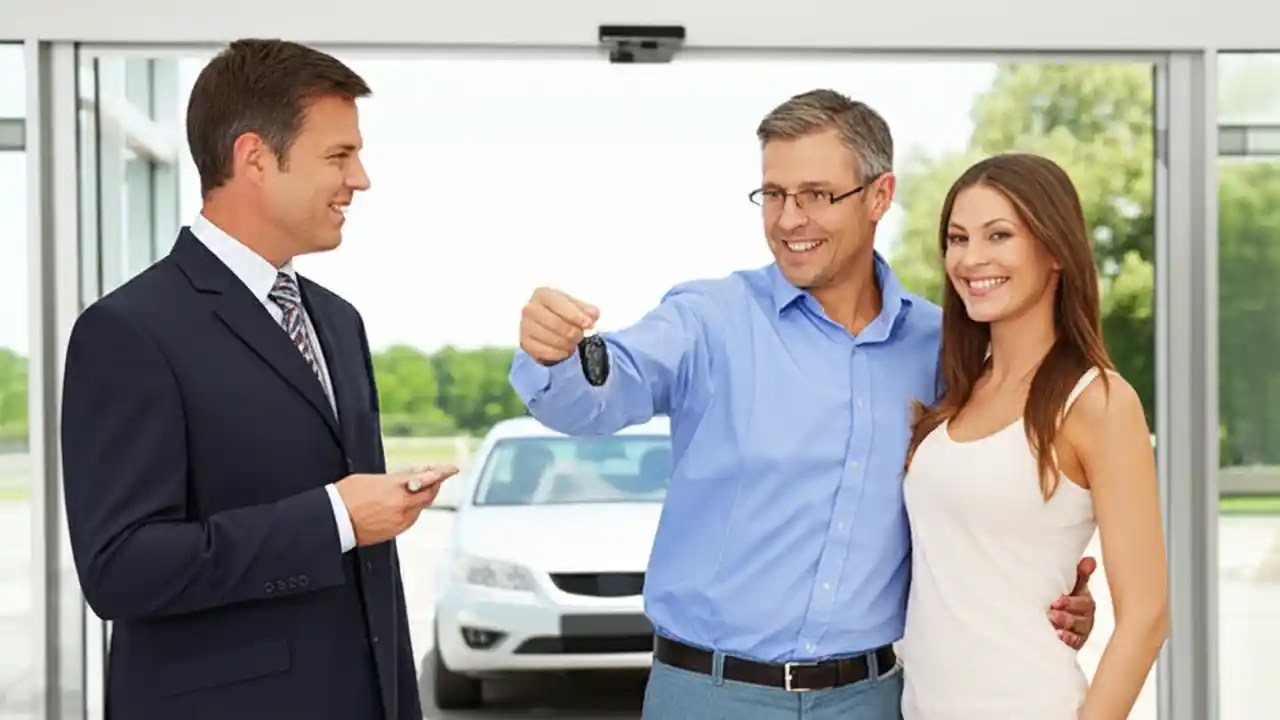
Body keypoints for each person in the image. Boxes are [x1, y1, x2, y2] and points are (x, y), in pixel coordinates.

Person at [508, 89, 1098, 718]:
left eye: (817, 194)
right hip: (708, 698)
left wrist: (1048, 593)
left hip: (870, 700)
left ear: (879, 196)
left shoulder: (944, 346)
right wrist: (556, 357)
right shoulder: (709, 319)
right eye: (775, 194)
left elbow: (978, 502)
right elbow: (598, 395)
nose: (790, 219)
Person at [59, 39, 452, 720]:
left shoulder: (338, 322)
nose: (360, 179)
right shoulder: (128, 331)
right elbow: (120, 569)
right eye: (338, 155)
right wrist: (335, 518)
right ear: (254, 159)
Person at [898, 153, 1168, 719]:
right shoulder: (958, 392)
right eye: (957, 238)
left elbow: (1147, 616)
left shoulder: (1098, 402)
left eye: (999, 235)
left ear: (1054, 252)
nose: (972, 259)